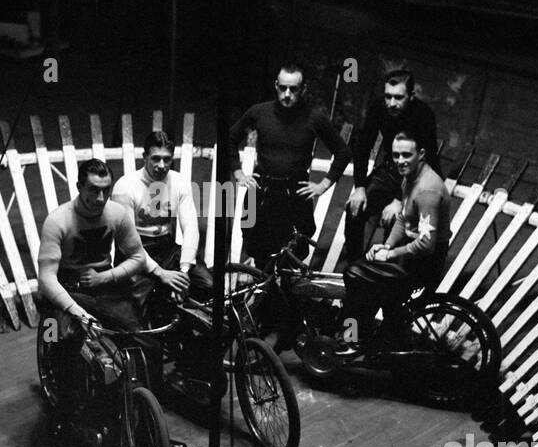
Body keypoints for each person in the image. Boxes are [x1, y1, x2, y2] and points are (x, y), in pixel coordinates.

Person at [37, 159, 154, 399]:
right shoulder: (58, 220)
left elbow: (138, 257)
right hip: (65, 288)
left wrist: (105, 277)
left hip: (104, 284)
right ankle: (62, 414)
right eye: (93, 190)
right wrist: (77, 311)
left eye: (106, 190)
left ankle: (147, 408)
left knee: (145, 340)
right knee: (61, 340)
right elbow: (46, 279)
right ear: (79, 187)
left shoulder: (117, 214)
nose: (101, 197)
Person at [337, 131, 451, 356]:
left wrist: (390, 255)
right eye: (396, 155)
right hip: (412, 254)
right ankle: (378, 336)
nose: (400, 161)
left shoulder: (428, 189)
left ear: (421, 154)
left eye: (406, 155)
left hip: (425, 262)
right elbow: (403, 218)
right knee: (369, 280)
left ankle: (353, 341)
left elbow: (426, 244)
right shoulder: (410, 177)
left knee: (354, 274)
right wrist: (387, 245)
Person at [229, 62, 350, 266]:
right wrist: (239, 172)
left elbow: (343, 151)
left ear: (303, 89)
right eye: (283, 87)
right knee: (257, 247)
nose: (287, 94)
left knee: (293, 252)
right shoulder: (259, 113)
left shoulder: (314, 119)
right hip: (262, 191)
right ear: (276, 85)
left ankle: (284, 293)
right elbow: (230, 139)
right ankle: (259, 290)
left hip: (294, 194)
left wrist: (324, 184)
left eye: (293, 89)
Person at [343, 69, 442, 263]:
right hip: (391, 170)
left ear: (411, 96)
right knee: (354, 210)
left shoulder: (424, 115)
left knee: (396, 221)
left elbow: (426, 160)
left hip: (421, 176)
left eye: (398, 97)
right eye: (388, 96)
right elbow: (363, 147)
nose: (392, 103)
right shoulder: (379, 108)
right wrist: (360, 188)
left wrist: (400, 200)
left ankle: (384, 272)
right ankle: (355, 267)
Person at [112, 130, 214, 307]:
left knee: (207, 284)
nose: (161, 165)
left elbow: (190, 227)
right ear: (145, 157)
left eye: (167, 159)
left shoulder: (180, 182)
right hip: (135, 253)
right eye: (155, 158)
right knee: (141, 306)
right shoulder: (125, 187)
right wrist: (160, 273)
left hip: (166, 248)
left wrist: (182, 273)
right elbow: (127, 243)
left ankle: (185, 326)